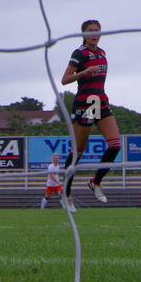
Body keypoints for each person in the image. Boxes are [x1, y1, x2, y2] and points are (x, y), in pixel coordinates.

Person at [60, 19, 119, 207]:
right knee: (78, 152)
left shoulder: (102, 53)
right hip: (84, 104)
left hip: (101, 102)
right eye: (90, 31)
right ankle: (66, 192)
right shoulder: (79, 53)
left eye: (97, 31)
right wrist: (83, 73)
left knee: (115, 145)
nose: (94, 34)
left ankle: (95, 182)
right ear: (84, 35)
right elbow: (64, 79)